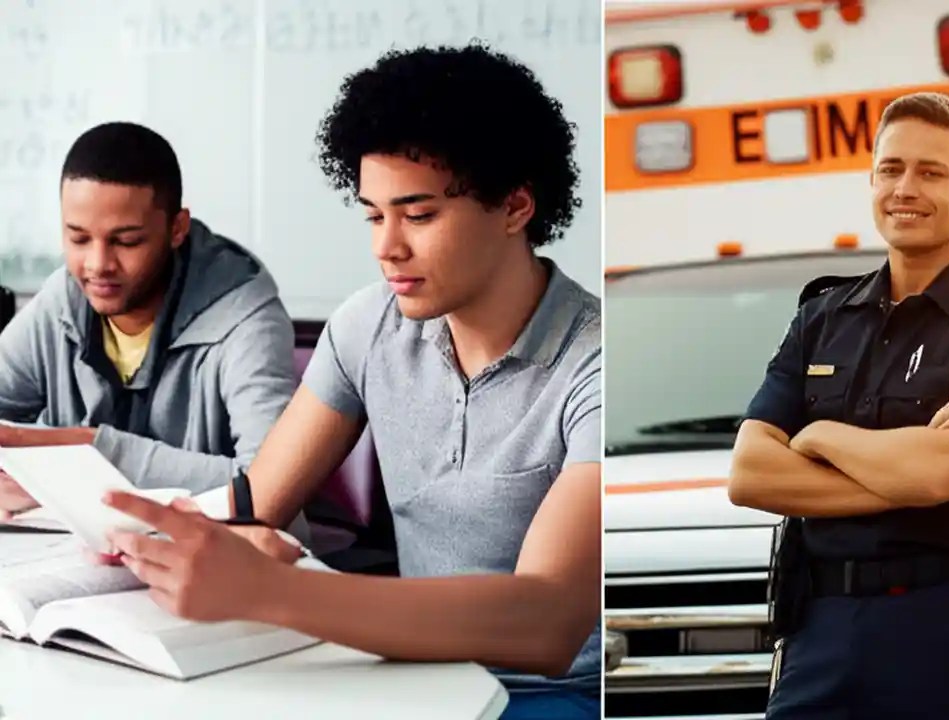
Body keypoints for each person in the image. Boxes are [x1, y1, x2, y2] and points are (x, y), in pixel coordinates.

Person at [100, 44, 601, 719]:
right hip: (409, 676)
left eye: (418, 216)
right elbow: (253, 503)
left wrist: (271, 591)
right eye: (373, 214)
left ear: (515, 207)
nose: (385, 246)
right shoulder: (369, 325)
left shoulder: (593, 364)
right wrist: (142, 532)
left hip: (555, 695)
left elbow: (545, 623)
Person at [728, 92, 949, 718]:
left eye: (931, 172)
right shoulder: (822, 318)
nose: (906, 187)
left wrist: (820, 435)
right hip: (821, 632)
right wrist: (907, 473)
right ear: (872, 181)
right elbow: (749, 474)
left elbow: (944, 471)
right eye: (891, 169)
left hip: (948, 626)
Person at [0, 121, 295, 518]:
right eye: (78, 238)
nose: (97, 264)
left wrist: (93, 450)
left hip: (222, 563)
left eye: (126, 241)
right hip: (78, 553)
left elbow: (268, 485)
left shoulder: (249, 320)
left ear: (177, 229)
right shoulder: (63, 299)